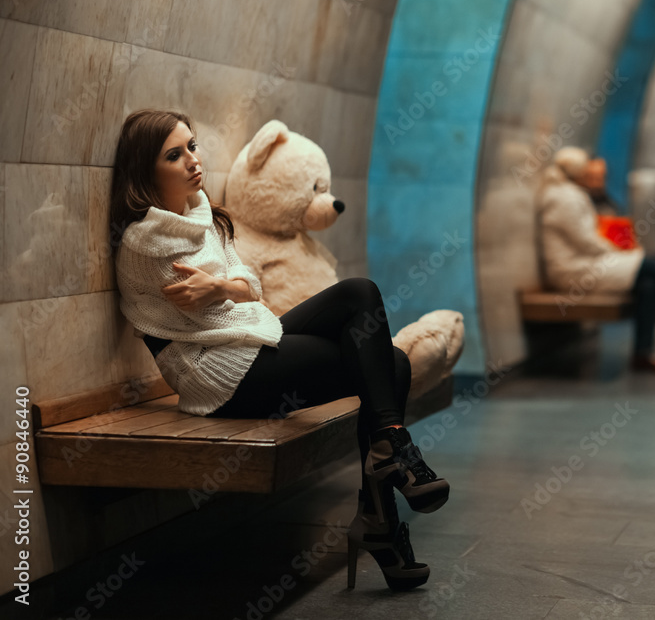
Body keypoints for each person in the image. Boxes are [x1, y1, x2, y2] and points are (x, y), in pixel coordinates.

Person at [110, 109, 445, 592]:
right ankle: (383, 508)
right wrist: (228, 291)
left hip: (249, 340)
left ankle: (386, 471)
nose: (192, 160)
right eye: (174, 155)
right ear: (146, 170)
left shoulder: (202, 212)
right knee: (383, 361)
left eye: (192, 146)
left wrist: (219, 287)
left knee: (365, 304)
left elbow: (250, 283)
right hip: (220, 376)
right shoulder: (146, 243)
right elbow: (214, 316)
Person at [537, 147, 655, 373]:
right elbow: (585, 241)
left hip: (585, 264)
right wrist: (619, 252)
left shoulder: (567, 194)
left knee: (648, 284)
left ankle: (643, 353)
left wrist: (619, 252)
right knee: (650, 264)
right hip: (574, 271)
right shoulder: (564, 198)